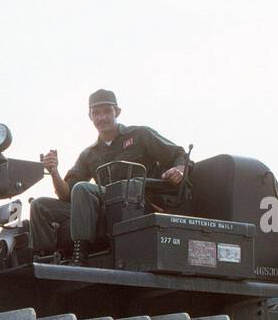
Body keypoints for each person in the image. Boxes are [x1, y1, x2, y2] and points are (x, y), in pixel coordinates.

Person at [30, 89, 188, 258]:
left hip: (134, 202)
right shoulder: (89, 154)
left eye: (107, 111)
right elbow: (67, 194)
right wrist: (54, 172)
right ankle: (43, 257)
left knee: (83, 189)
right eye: (96, 113)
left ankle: (80, 252)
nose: (102, 117)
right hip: (102, 206)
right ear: (90, 117)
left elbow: (179, 154)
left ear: (117, 112)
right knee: (40, 205)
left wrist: (179, 169)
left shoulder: (140, 135)